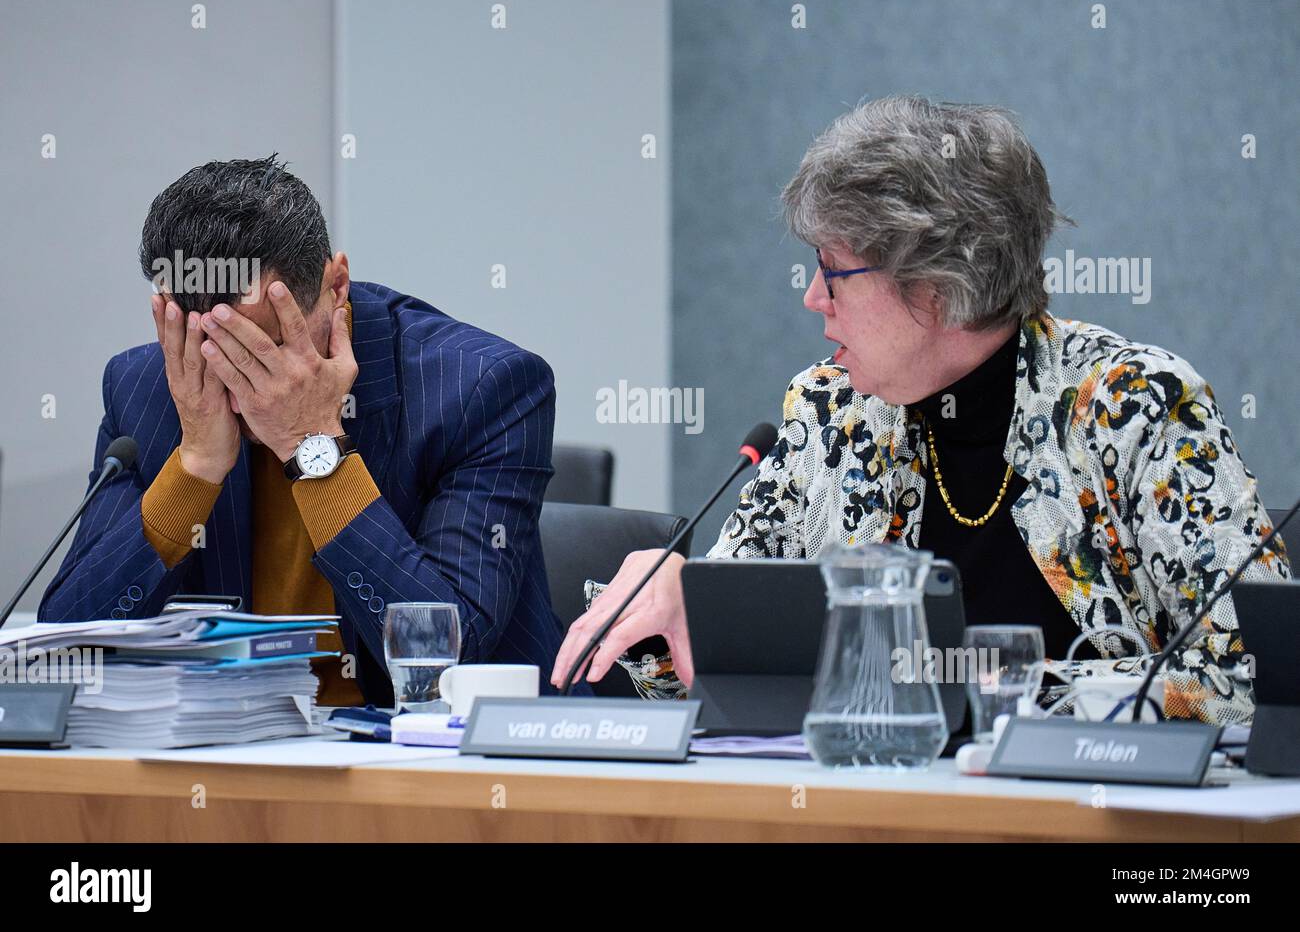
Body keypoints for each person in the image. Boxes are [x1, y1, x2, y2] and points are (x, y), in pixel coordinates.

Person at [553, 96, 1290, 725]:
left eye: (833, 273)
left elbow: (1256, 682)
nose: (812, 299)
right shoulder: (829, 413)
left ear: (938, 287)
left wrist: (1006, 698)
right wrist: (672, 615)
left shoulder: (1137, 410)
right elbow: (729, 689)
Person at [40, 156, 567, 705]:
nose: (239, 382)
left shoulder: (481, 387)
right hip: (232, 752)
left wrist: (311, 446)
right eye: (209, 347)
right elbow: (62, 651)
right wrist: (194, 465)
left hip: (445, 760)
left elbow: (444, 663)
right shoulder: (145, 388)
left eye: (262, 348)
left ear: (335, 285)